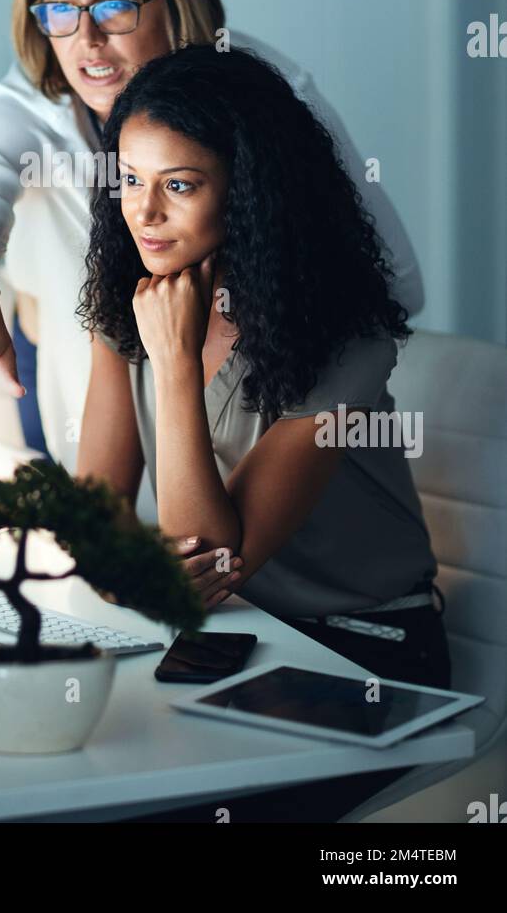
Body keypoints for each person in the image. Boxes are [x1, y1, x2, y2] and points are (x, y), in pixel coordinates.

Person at [74, 43, 449, 823]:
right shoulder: (129, 301)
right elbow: (92, 520)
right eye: (132, 181)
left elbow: (217, 556)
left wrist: (174, 364)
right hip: (223, 634)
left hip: (361, 651)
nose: (143, 213)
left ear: (246, 194)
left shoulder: (348, 340)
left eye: (179, 186)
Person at [0, 0, 424, 488]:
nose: (86, 40)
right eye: (60, 8)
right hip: (82, 413)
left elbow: (395, 286)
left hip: (244, 437)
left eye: (115, 5)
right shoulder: (30, 105)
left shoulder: (263, 95)